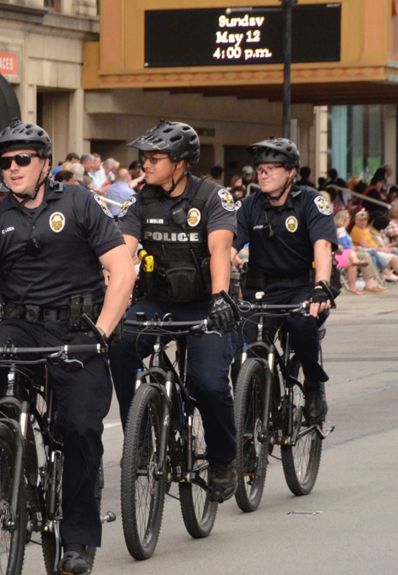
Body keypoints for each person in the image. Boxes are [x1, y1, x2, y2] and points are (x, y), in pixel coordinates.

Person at [0, 120, 134, 575]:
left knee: (80, 428)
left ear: (44, 163)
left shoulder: (79, 202)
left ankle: (78, 535)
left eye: (23, 159)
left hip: (78, 330)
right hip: (19, 326)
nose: (13, 168)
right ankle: (3, 465)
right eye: (5, 161)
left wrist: (100, 332)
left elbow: (122, 270)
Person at [110, 120, 240, 502]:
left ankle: (221, 459)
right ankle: (144, 431)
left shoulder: (213, 198)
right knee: (120, 344)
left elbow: (219, 249)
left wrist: (220, 298)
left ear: (180, 163)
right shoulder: (140, 200)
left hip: (206, 304)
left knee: (211, 384)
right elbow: (124, 248)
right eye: (143, 158)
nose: (145, 165)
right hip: (158, 301)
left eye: (154, 158)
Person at [236, 137, 337, 425]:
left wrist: (321, 288)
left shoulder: (310, 201)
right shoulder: (249, 206)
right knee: (240, 340)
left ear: (291, 171)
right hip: (261, 290)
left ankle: (314, 383)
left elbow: (323, 246)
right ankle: (256, 404)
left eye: (272, 168)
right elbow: (229, 246)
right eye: (260, 168)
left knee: (302, 321)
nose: (263, 174)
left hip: (302, 288)